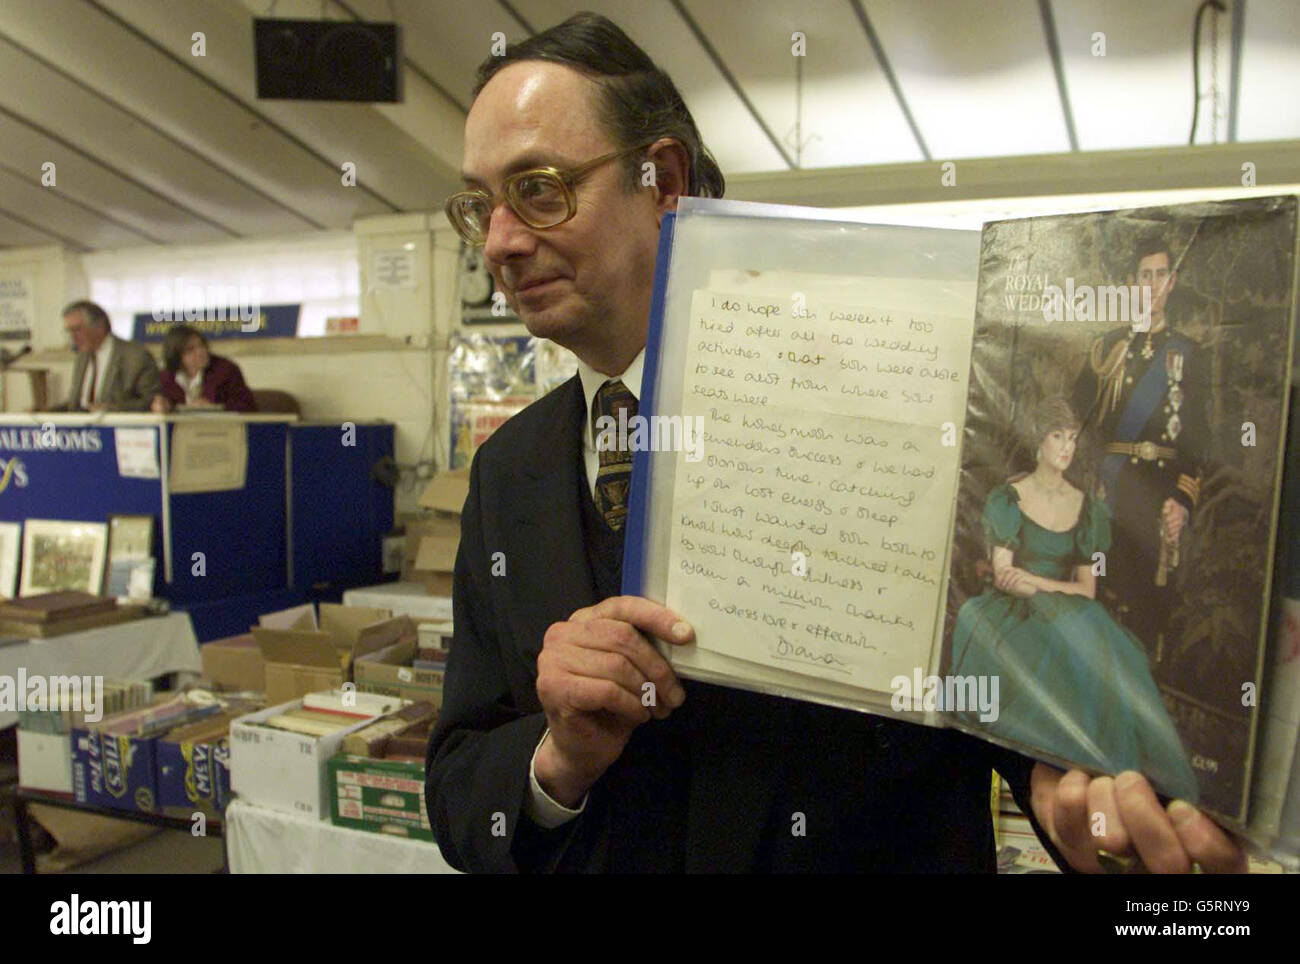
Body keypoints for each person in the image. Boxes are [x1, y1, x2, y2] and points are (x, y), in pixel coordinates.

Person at [426, 12, 1245, 874]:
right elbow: (457, 782)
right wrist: (556, 761)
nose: (499, 243)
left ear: (662, 179)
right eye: (480, 206)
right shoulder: (506, 470)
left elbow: (992, 676)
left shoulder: (900, 408)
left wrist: (1067, 796)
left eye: (539, 190)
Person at [949, 397, 1199, 802]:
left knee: (1100, 650)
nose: (1067, 447)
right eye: (1057, 436)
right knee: (995, 627)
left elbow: (1087, 589)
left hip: (1065, 604)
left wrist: (1037, 583)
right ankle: (1050, 765)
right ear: (1038, 441)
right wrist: (1028, 586)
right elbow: (1005, 574)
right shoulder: (1009, 497)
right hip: (1012, 607)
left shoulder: (1087, 508)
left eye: (1072, 438)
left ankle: (1120, 781)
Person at [1071, 233, 1208, 664]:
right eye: (1145, 276)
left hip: (1158, 498)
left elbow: (1200, 442)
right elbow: (1073, 420)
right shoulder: (1108, 347)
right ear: (1132, 284)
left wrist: (1182, 500)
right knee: (1101, 603)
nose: (1153, 285)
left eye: (1161, 274)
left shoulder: (1190, 355)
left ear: (1173, 282)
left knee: (1147, 613)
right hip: (1110, 494)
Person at [50, 300, 160, 412]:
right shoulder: (82, 357)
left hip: (118, 422)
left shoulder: (135, 356)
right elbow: (77, 404)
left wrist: (112, 409)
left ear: (99, 327)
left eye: (77, 330)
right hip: (81, 422)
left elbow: (151, 403)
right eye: (69, 331)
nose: (73, 337)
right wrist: (45, 412)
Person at [151, 324, 257, 413]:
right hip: (180, 430)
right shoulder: (166, 377)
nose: (200, 352)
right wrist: (161, 407)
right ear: (176, 355)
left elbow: (248, 407)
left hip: (221, 428)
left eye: (201, 345)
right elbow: (159, 405)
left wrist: (214, 408)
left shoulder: (226, 370)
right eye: (190, 349)